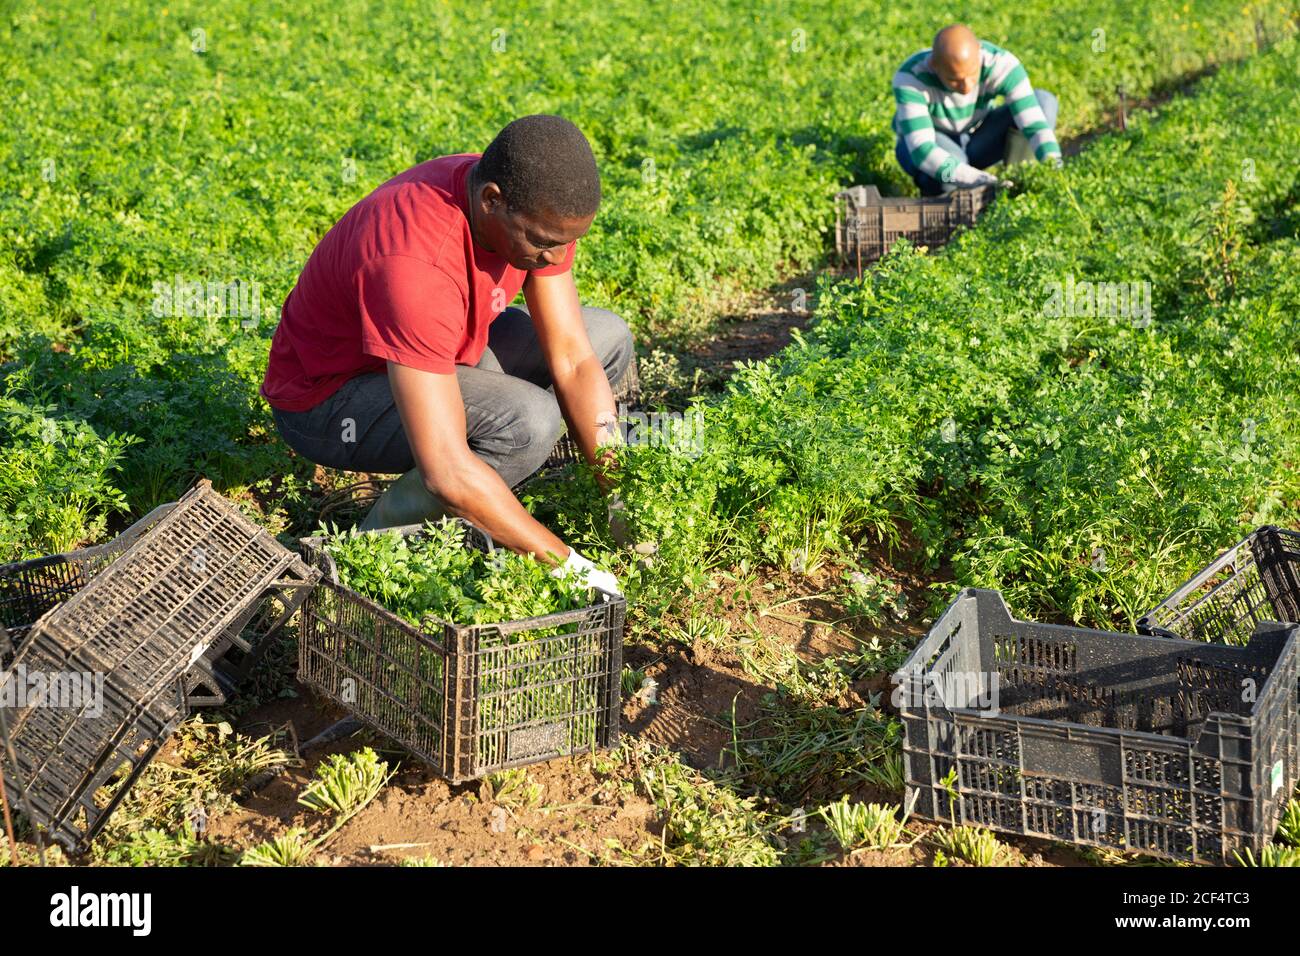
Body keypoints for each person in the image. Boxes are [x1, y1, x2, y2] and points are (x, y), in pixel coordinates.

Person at [260, 115, 629, 594]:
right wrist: (569, 566)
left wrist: (621, 494)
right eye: (542, 242)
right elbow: (444, 469)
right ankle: (363, 558)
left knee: (607, 336)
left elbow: (575, 358)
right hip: (330, 400)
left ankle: (503, 499)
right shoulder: (414, 262)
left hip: (438, 352)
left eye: (566, 242)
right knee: (525, 424)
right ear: (492, 200)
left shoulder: (535, 204)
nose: (556, 259)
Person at [892, 24, 1062, 196]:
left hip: (976, 137)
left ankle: (1019, 186)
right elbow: (922, 151)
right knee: (947, 170)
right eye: (954, 80)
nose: (966, 86)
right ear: (934, 66)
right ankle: (942, 199)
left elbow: (1035, 125)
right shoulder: (911, 78)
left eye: (972, 74)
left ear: (979, 55)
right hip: (931, 145)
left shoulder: (1000, 64)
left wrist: (1054, 169)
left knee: (1043, 101)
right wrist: (980, 180)